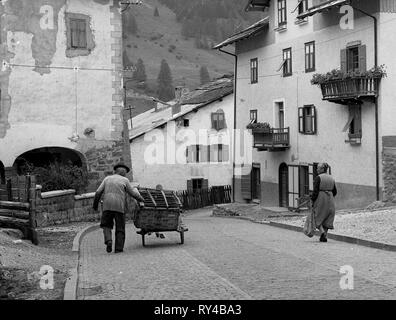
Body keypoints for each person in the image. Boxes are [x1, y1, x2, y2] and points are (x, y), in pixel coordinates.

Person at [93, 163, 145, 253]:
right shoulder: (125, 180)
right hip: (119, 206)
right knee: (120, 227)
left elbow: (98, 192)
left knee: (106, 225)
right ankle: (118, 248)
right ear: (124, 172)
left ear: (115, 171)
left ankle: (108, 240)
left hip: (107, 205)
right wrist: (141, 199)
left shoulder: (107, 178)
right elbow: (132, 193)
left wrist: (95, 205)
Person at [311, 163, 337, 242]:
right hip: (330, 198)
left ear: (322, 169)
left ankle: (322, 232)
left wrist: (312, 200)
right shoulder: (331, 178)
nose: (317, 170)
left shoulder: (318, 178)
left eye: (318, 168)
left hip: (320, 199)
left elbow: (315, 191)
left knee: (317, 216)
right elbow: (335, 191)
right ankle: (324, 235)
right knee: (327, 218)